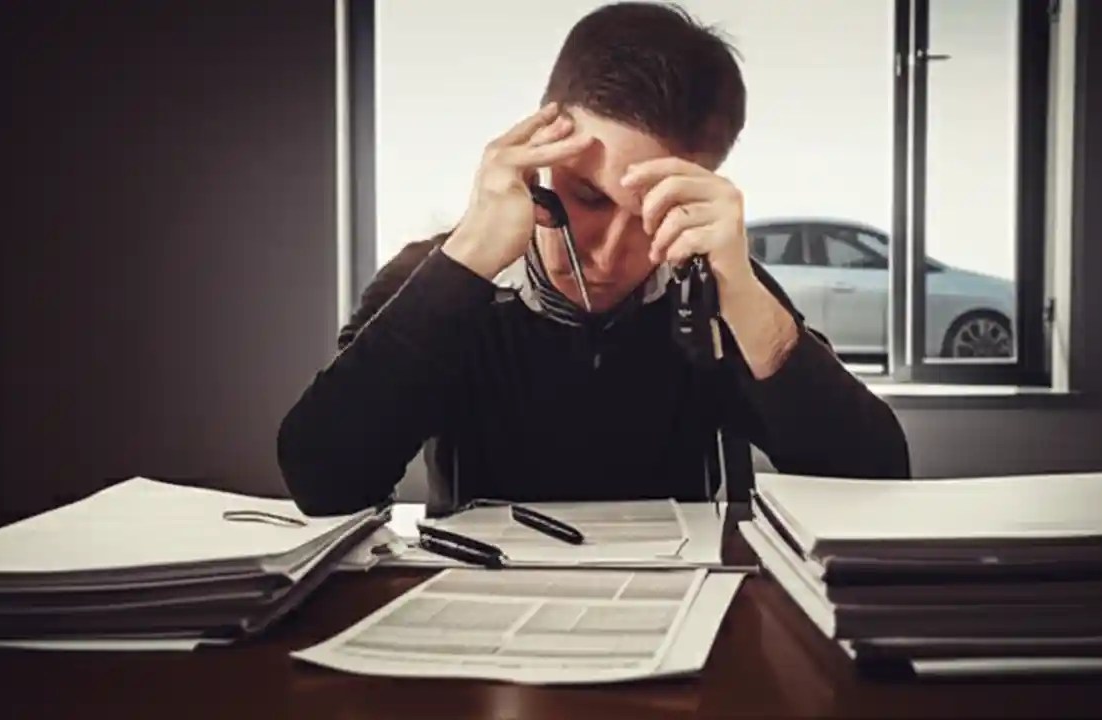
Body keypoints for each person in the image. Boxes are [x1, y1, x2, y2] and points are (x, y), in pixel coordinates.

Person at [278, 1, 910, 517]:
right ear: (539, 146)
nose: (609, 256)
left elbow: (876, 482)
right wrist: (466, 260)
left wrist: (746, 302)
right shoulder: (436, 273)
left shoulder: (715, 284)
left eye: (657, 214)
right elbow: (323, 479)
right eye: (588, 197)